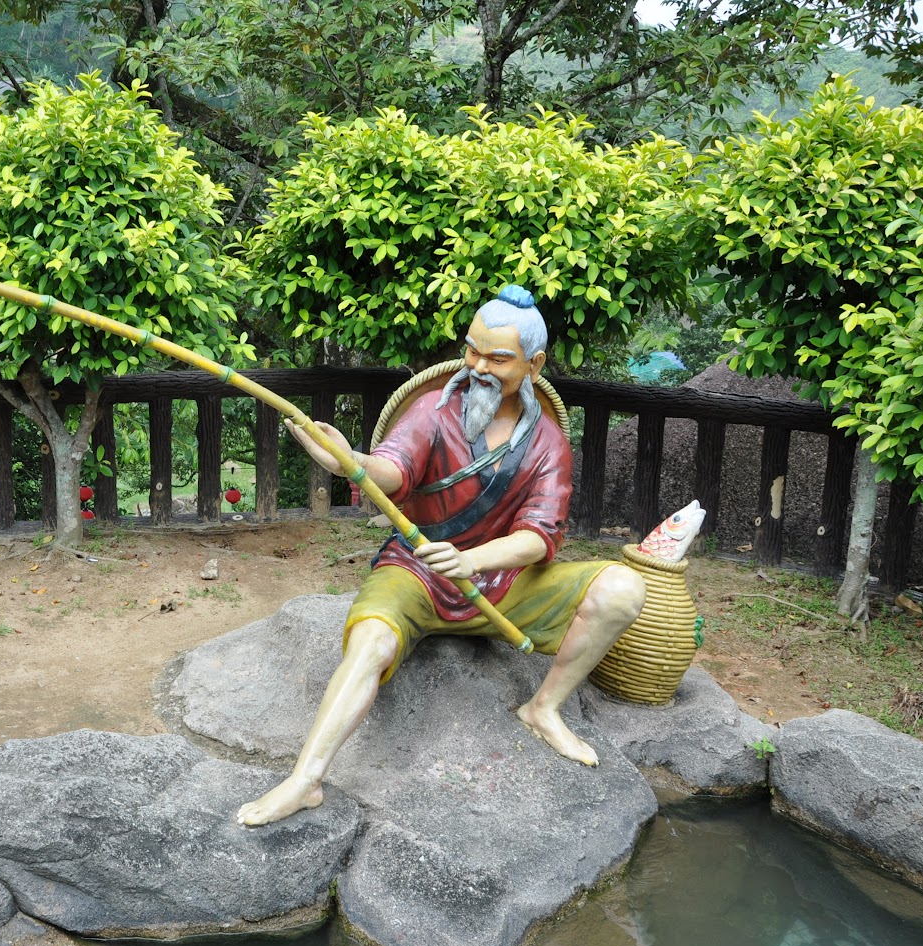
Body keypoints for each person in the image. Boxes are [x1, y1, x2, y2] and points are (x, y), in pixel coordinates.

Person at [238, 285, 647, 827]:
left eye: (498, 357)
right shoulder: (432, 409)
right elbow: (395, 468)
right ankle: (305, 780)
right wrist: (351, 463)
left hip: (501, 586)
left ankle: (543, 708)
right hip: (418, 571)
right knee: (371, 642)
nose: (478, 365)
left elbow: (541, 536)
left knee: (625, 588)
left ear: (534, 364)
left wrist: (476, 561)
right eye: (472, 349)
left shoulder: (548, 441)